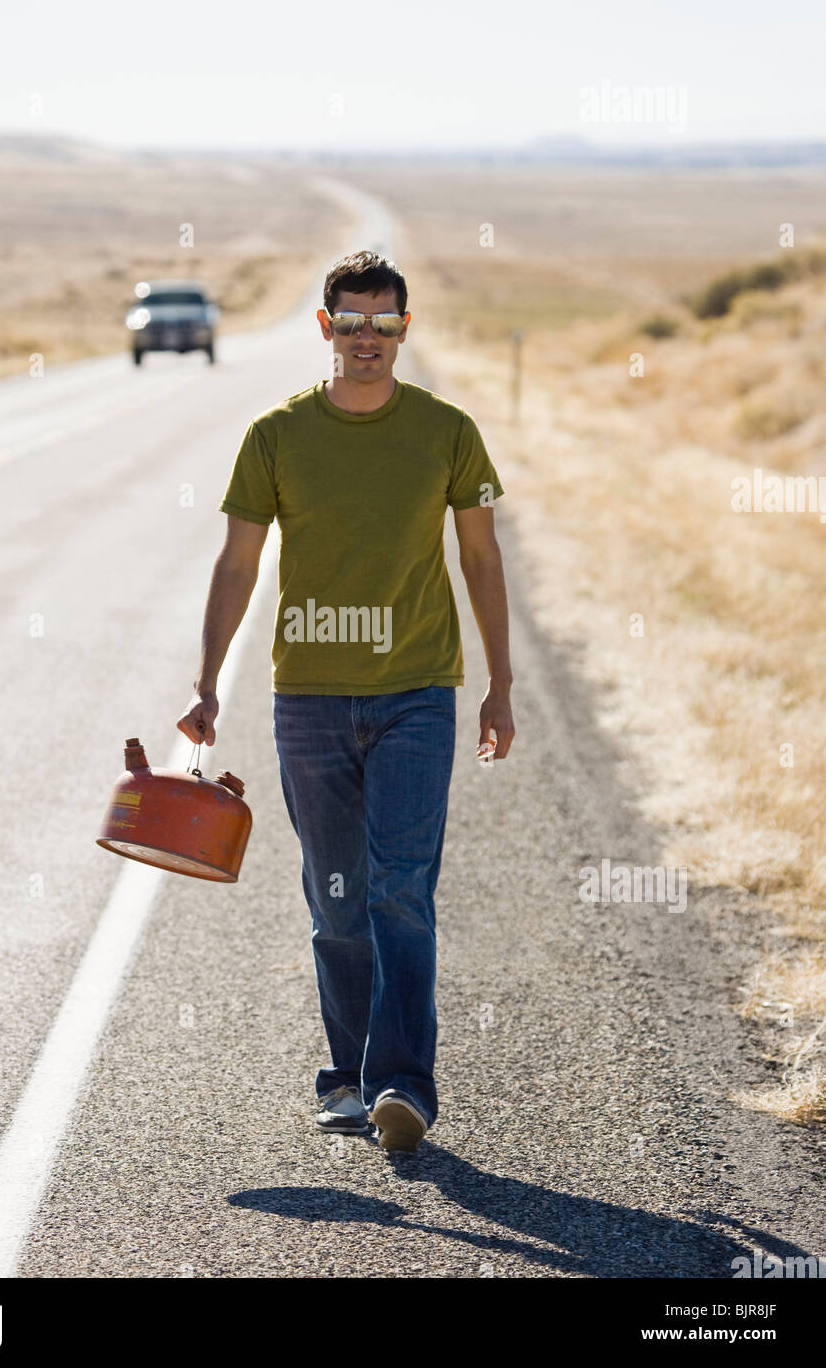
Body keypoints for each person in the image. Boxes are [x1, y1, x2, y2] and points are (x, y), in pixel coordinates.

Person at [178, 250, 514, 1152]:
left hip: (416, 694)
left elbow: (481, 559)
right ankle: (347, 1076)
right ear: (325, 327)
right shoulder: (275, 436)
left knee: (400, 892)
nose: (369, 338)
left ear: (405, 330)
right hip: (310, 700)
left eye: (386, 323)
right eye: (353, 322)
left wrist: (500, 683)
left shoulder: (447, 431)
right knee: (336, 898)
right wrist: (207, 684)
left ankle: (402, 1084)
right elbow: (236, 564)